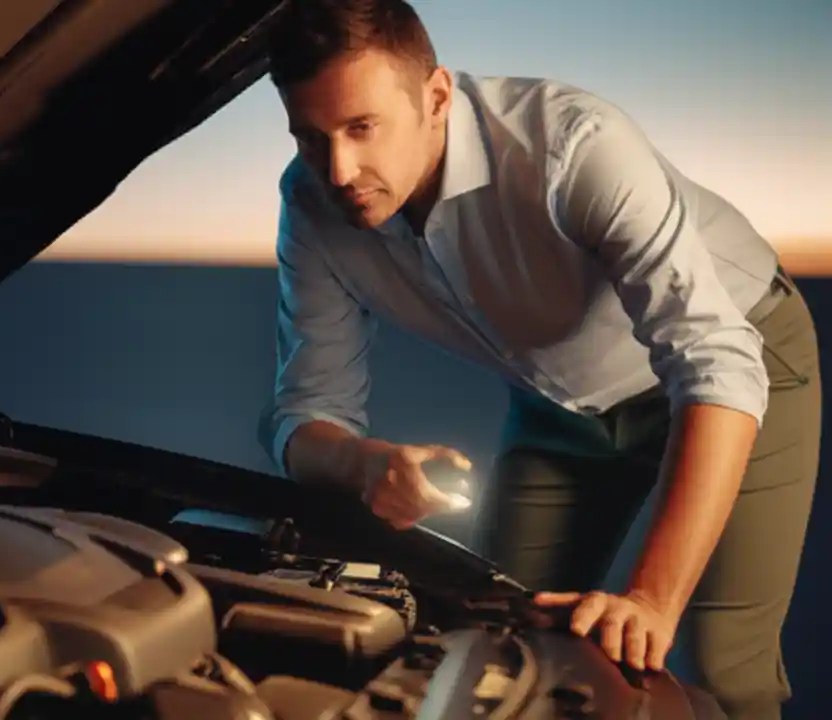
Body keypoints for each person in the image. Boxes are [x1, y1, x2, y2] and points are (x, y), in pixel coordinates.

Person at [256, 1, 820, 717]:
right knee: (493, 637)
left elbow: (712, 359)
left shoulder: (573, 144)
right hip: (559, 401)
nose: (338, 170)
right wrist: (365, 464)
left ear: (435, 98)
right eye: (310, 137)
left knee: (721, 667)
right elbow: (303, 418)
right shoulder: (309, 204)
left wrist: (648, 600)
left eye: (362, 127)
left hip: (740, 356)